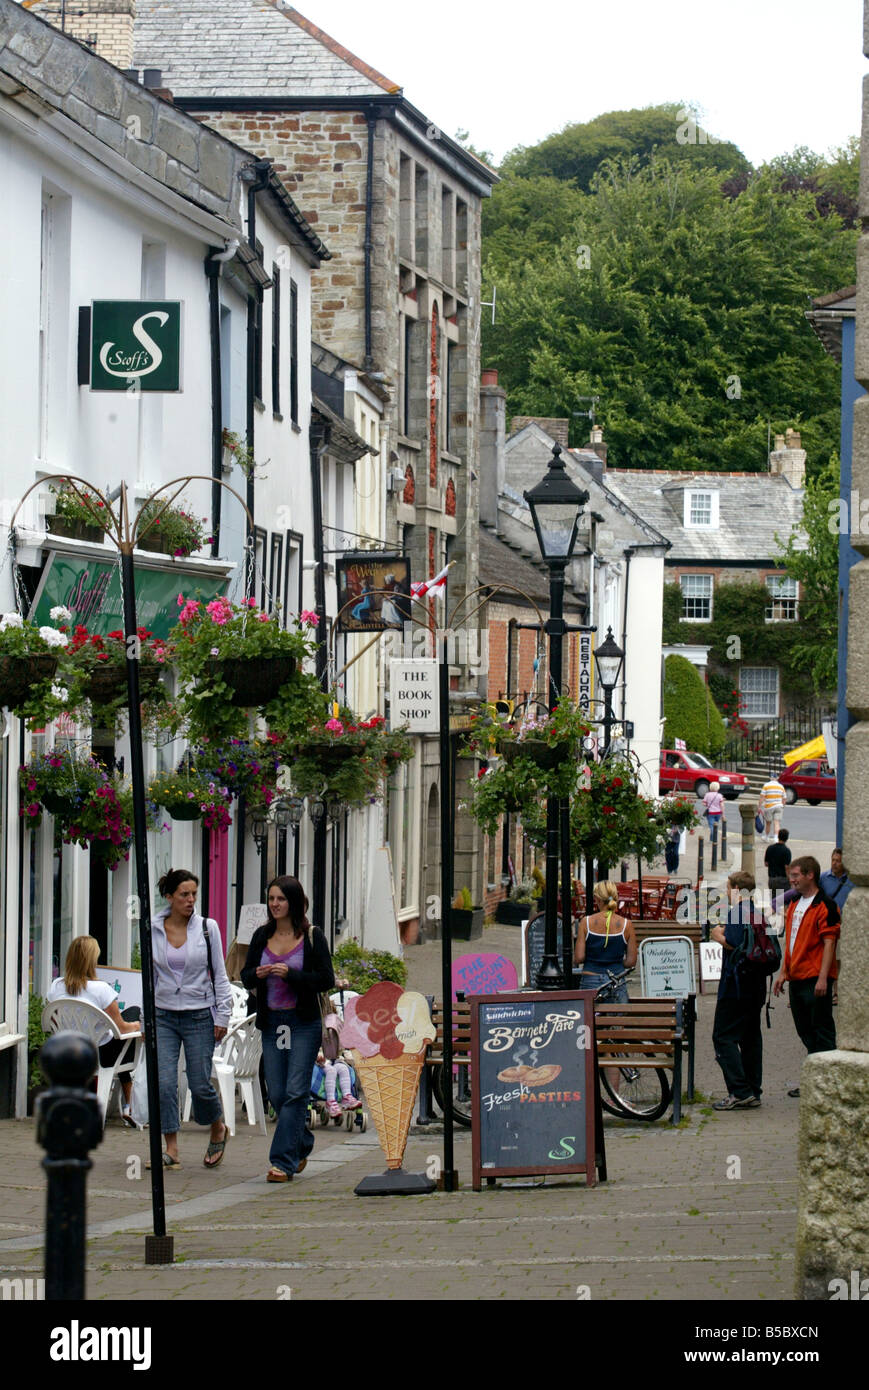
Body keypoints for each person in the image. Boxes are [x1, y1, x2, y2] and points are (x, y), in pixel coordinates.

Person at [241, 876, 335, 1182]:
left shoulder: (311, 936)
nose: (275, 904)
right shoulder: (261, 936)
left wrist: (293, 975)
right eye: (271, 899)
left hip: (303, 1023)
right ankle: (303, 1141)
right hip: (273, 1023)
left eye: (280, 898)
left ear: (294, 901)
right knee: (279, 1093)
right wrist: (256, 973)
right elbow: (245, 976)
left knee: (296, 1091)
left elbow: (325, 979)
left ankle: (281, 1162)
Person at [150, 869, 232, 1170]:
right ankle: (171, 1147)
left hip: (199, 1013)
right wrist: (147, 1018)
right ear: (169, 896)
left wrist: (222, 1014)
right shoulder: (153, 928)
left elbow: (219, 975)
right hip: (163, 1014)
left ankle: (216, 1125)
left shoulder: (207, 928)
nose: (191, 900)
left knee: (199, 1083)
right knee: (165, 1082)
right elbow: (149, 977)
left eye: (194, 894)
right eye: (184, 894)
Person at [47, 935, 141, 1124]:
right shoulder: (101, 989)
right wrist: (137, 1026)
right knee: (132, 1016)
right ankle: (130, 1104)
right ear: (92, 961)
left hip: (67, 1050)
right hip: (100, 1054)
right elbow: (121, 1029)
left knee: (112, 1036)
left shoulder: (56, 986)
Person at [773, 855, 840, 1098]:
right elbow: (791, 942)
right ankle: (817, 1077)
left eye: (795, 876)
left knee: (821, 1029)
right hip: (797, 977)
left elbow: (829, 942)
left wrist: (824, 978)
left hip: (815, 977)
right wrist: (783, 972)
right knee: (805, 1030)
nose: (792, 881)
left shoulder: (825, 905)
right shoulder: (794, 905)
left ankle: (829, 1082)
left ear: (810, 875)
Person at [710, 872, 771, 1110]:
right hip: (756, 984)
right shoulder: (759, 913)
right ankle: (753, 1089)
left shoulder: (737, 912)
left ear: (736, 889)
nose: (726, 892)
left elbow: (735, 945)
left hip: (736, 985)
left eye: (728, 888)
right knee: (750, 1038)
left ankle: (739, 1090)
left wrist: (718, 936)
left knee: (723, 1037)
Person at [573, 880, 637, 1002]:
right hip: (616, 979)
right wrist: (615, 962)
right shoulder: (626, 925)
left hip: (590, 979)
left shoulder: (586, 923)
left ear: (597, 899)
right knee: (617, 1020)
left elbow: (579, 958)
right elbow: (631, 962)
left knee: (589, 1019)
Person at [764, 828, 791, 897]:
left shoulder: (770, 848)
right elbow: (787, 867)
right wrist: (790, 879)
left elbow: (766, 864)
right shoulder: (786, 851)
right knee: (786, 900)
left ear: (778, 836)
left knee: (774, 902)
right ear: (787, 838)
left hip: (772, 879)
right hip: (783, 880)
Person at [758, 774, 786, 842]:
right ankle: (776, 838)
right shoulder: (781, 786)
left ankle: (767, 837)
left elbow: (762, 797)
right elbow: (784, 798)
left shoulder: (766, 785)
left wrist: (759, 806)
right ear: (777, 778)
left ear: (770, 778)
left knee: (768, 823)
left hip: (769, 807)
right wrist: (783, 806)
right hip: (779, 806)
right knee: (777, 823)